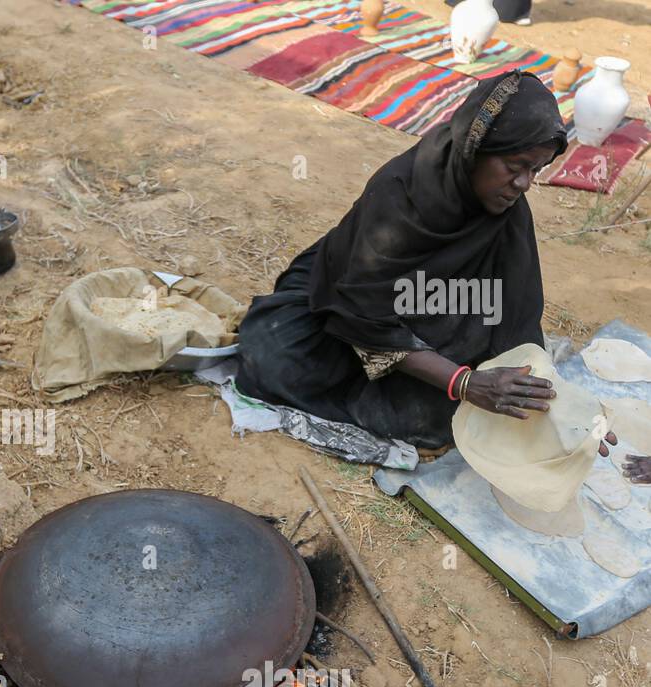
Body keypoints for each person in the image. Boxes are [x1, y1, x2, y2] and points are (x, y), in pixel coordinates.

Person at [236, 70, 614, 459]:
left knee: (437, 417)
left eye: (534, 170)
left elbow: (516, 323)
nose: (523, 184)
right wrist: (465, 383)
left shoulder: (509, 216)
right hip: (345, 313)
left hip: (436, 317)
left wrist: (565, 411)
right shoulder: (400, 193)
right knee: (270, 355)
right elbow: (356, 307)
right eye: (515, 165)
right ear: (476, 146)